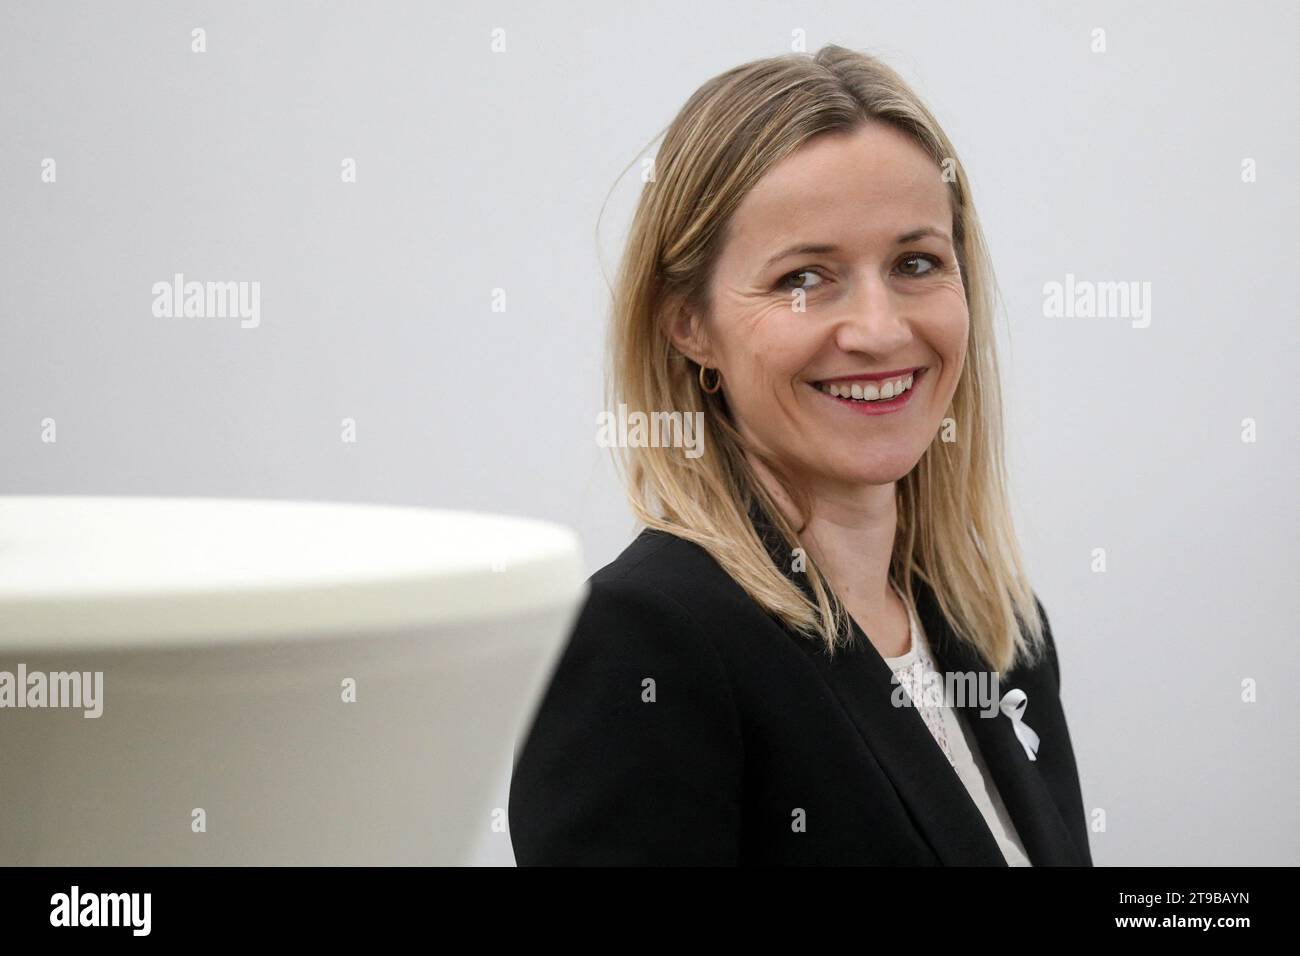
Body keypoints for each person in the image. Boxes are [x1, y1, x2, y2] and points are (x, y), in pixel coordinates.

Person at [508, 44, 1092, 866]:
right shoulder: (644, 644)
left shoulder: (999, 631)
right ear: (689, 325)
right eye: (805, 278)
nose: (881, 330)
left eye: (916, 263)